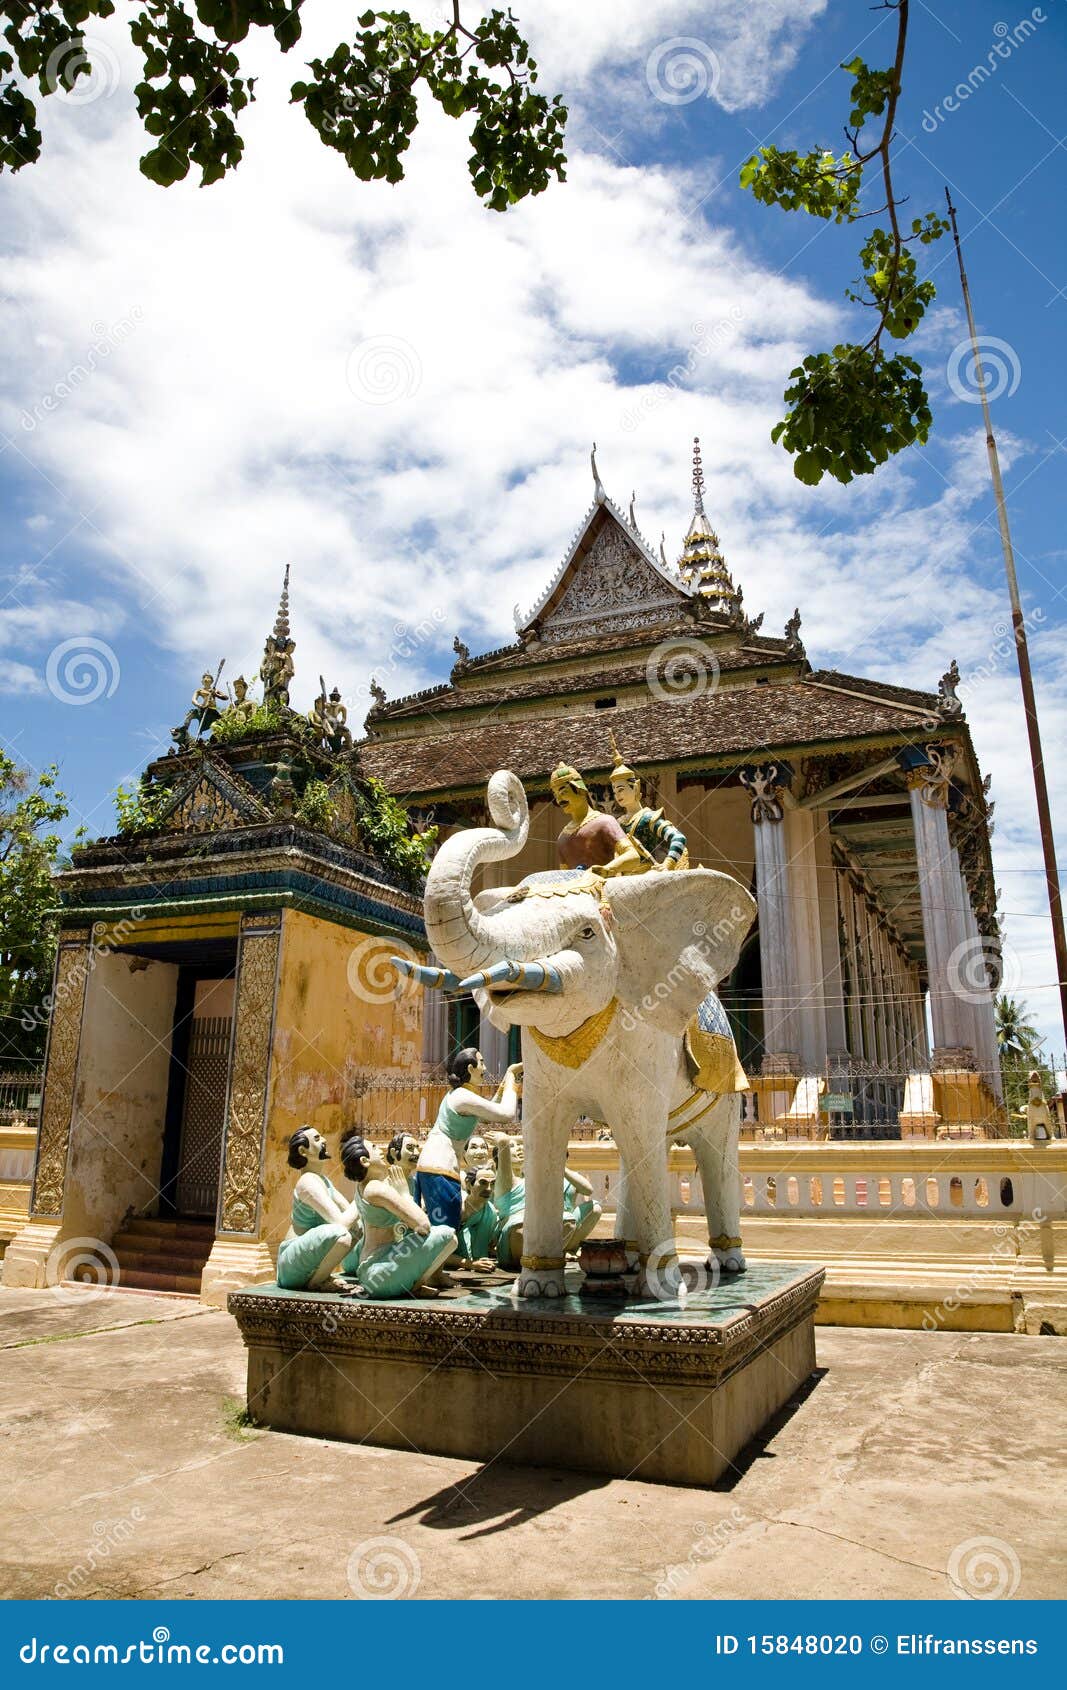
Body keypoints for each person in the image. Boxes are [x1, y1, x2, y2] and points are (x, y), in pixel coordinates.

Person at [413, 1048, 522, 1241]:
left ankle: (438, 1267)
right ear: (471, 1068)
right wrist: (512, 1077)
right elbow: (506, 1114)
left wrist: (507, 1080)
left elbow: (488, 1113)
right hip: (439, 1167)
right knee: (444, 1230)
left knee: (447, 1225)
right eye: (482, 1063)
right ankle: (436, 1267)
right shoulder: (462, 1096)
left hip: (438, 1167)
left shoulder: (460, 1095)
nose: (485, 1068)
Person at [340, 1135, 456, 1298]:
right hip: (378, 1273)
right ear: (365, 1161)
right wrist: (404, 1194)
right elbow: (423, 1225)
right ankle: (414, 1286)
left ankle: (412, 1284)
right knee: (448, 1235)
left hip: (375, 1269)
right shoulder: (377, 1189)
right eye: (374, 1148)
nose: (380, 1150)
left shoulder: (363, 1187)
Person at [276, 1127, 363, 1291]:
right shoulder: (307, 1182)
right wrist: (365, 1188)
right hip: (290, 1265)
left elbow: (349, 1212)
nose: (323, 1140)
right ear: (303, 1151)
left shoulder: (322, 1180)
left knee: (358, 1229)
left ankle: (320, 1277)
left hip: (305, 1260)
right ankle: (317, 1282)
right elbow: (341, 1223)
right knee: (342, 1234)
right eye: (317, 1139)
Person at [607, 735, 689, 871]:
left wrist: (667, 864)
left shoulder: (648, 818)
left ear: (635, 788)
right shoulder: (619, 823)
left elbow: (679, 838)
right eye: (615, 792)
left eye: (621, 789)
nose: (617, 795)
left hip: (649, 873)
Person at [549, 762, 643, 875]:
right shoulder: (562, 837)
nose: (559, 800)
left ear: (580, 790)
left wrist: (606, 869)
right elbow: (565, 875)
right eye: (556, 795)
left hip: (603, 887)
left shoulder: (604, 822)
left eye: (563, 792)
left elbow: (633, 856)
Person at [458, 1166, 499, 1268]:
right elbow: (437, 1252)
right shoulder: (456, 1207)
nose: (489, 1189)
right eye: (483, 1183)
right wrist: (470, 1264)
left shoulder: (491, 1213)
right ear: (468, 1184)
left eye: (493, 1183)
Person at [385, 1132, 421, 1197]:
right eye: (410, 1148)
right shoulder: (385, 1187)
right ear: (393, 1153)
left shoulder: (415, 1183)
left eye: (417, 1148)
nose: (417, 1153)